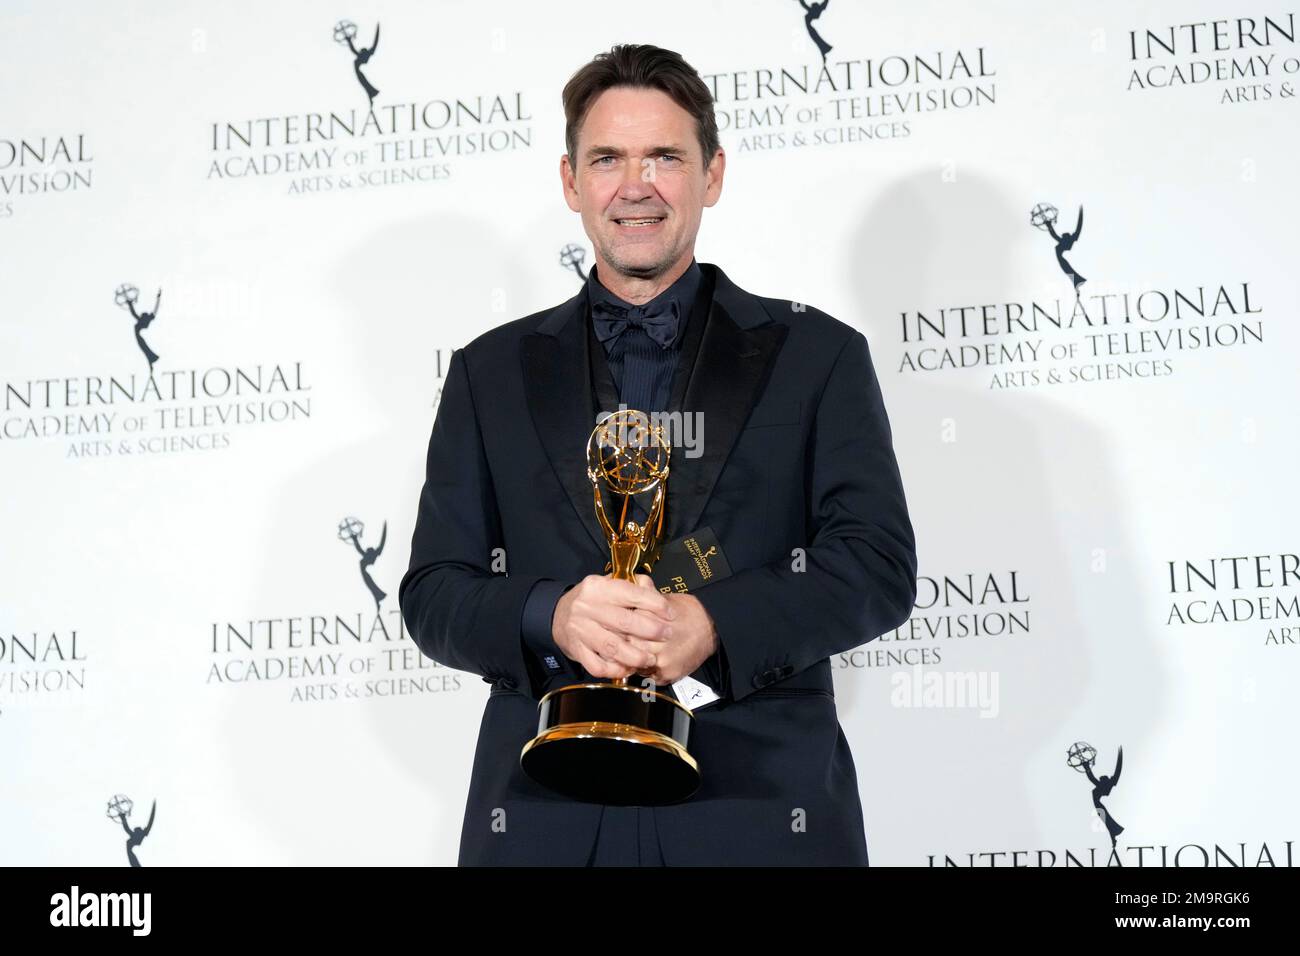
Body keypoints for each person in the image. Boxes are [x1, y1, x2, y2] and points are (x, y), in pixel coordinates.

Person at [399, 43, 917, 866]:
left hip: (758, 811)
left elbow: (875, 567)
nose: (634, 185)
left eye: (664, 157)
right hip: (544, 819)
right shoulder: (486, 373)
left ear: (712, 175)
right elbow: (434, 593)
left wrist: (715, 621)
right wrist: (552, 614)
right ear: (571, 181)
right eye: (607, 158)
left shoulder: (817, 356)